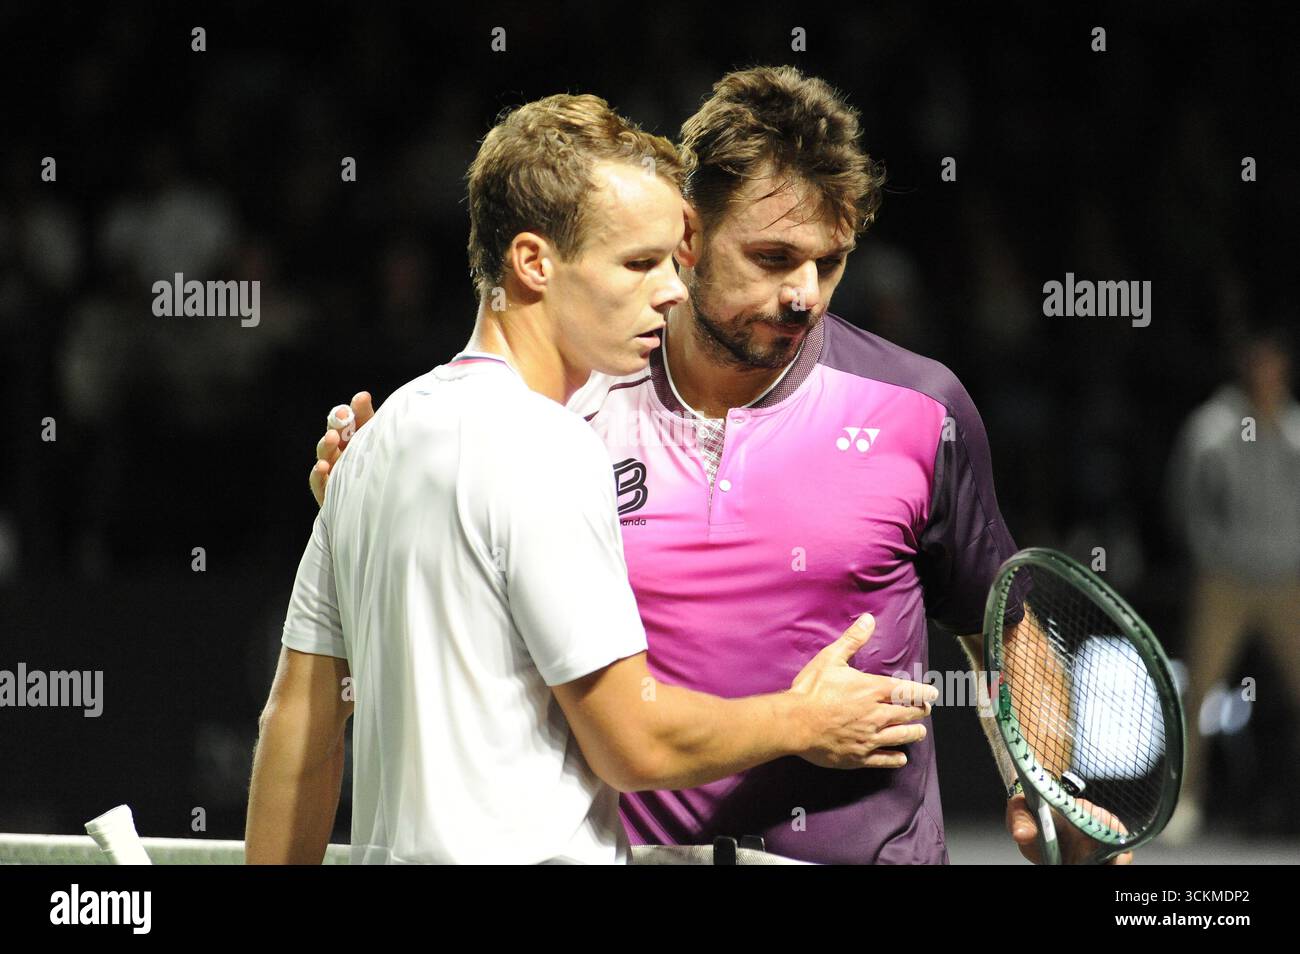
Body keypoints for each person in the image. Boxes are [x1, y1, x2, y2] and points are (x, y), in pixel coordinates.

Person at [309, 67, 1128, 864]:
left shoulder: (918, 407)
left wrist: (1047, 781)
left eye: (831, 261)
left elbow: (1001, 621)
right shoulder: (557, 413)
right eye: (772, 258)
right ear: (687, 236)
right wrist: (368, 485)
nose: (806, 293)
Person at [245, 92, 938, 865]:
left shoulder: (371, 451)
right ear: (534, 263)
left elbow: (297, 731)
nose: (672, 291)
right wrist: (802, 720)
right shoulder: (555, 446)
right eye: (639, 264)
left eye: (670, 263)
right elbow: (631, 745)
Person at [1163, 324, 1300, 842]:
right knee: (1200, 690)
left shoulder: (1295, 428)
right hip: (1226, 580)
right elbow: (1186, 501)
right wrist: (1211, 555)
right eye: (1259, 366)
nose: (1268, 377)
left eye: (1276, 367)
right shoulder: (1213, 427)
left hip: (1287, 580)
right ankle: (1183, 802)